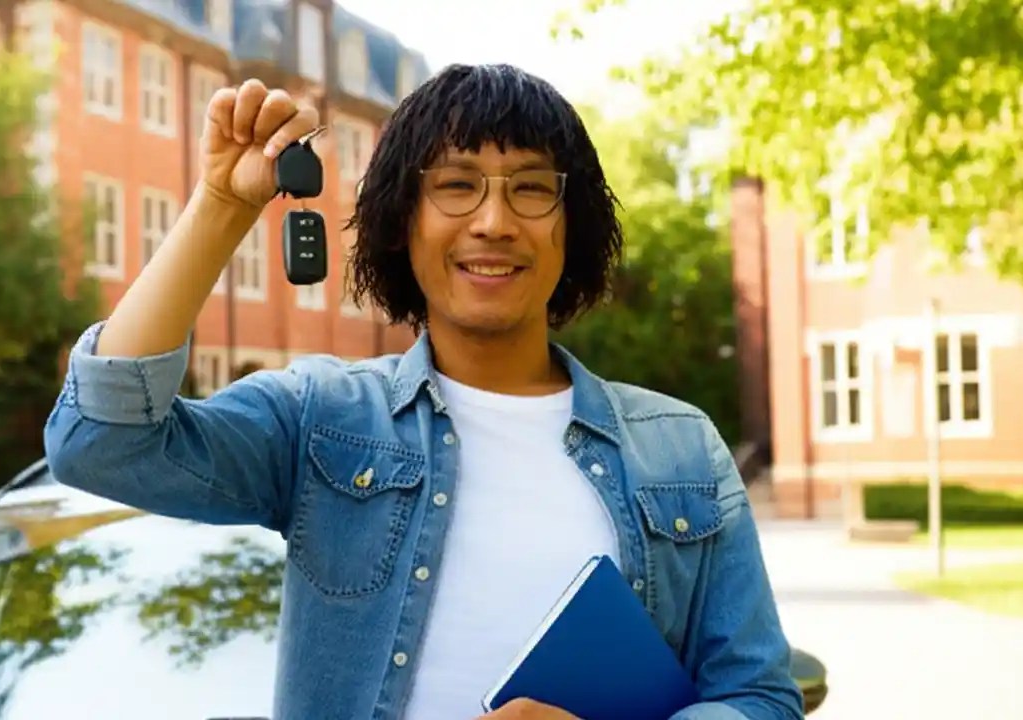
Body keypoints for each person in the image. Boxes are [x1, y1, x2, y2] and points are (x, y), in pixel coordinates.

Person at [43, 63, 803, 720]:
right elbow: (100, 443)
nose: (495, 221)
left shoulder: (679, 447)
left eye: (532, 189)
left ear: (571, 229)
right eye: (456, 186)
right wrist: (221, 203)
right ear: (403, 223)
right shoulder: (324, 422)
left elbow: (762, 696)